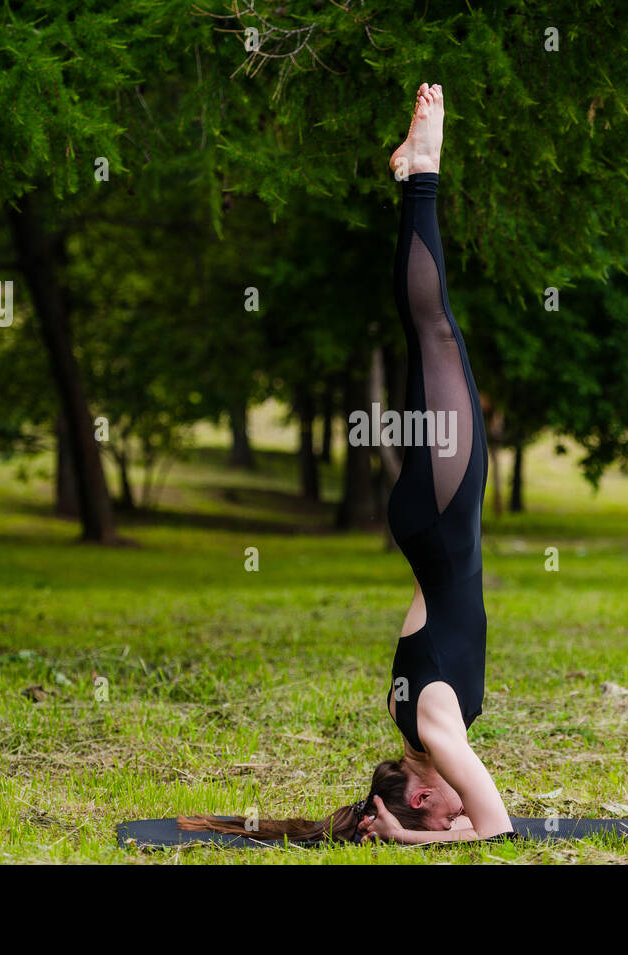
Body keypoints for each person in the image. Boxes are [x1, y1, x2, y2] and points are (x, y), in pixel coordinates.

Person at [177, 83, 514, 845]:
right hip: (430, 524)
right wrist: (396, 820)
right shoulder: (409, 717)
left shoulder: (433, 726)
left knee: (433, 330)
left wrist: (405, 839)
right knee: (432, 337)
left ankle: (419, 174)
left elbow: (495, 832)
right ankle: (415, 177)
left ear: (424, 796)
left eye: (443, 806)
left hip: (442, 512)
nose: (459, 800)